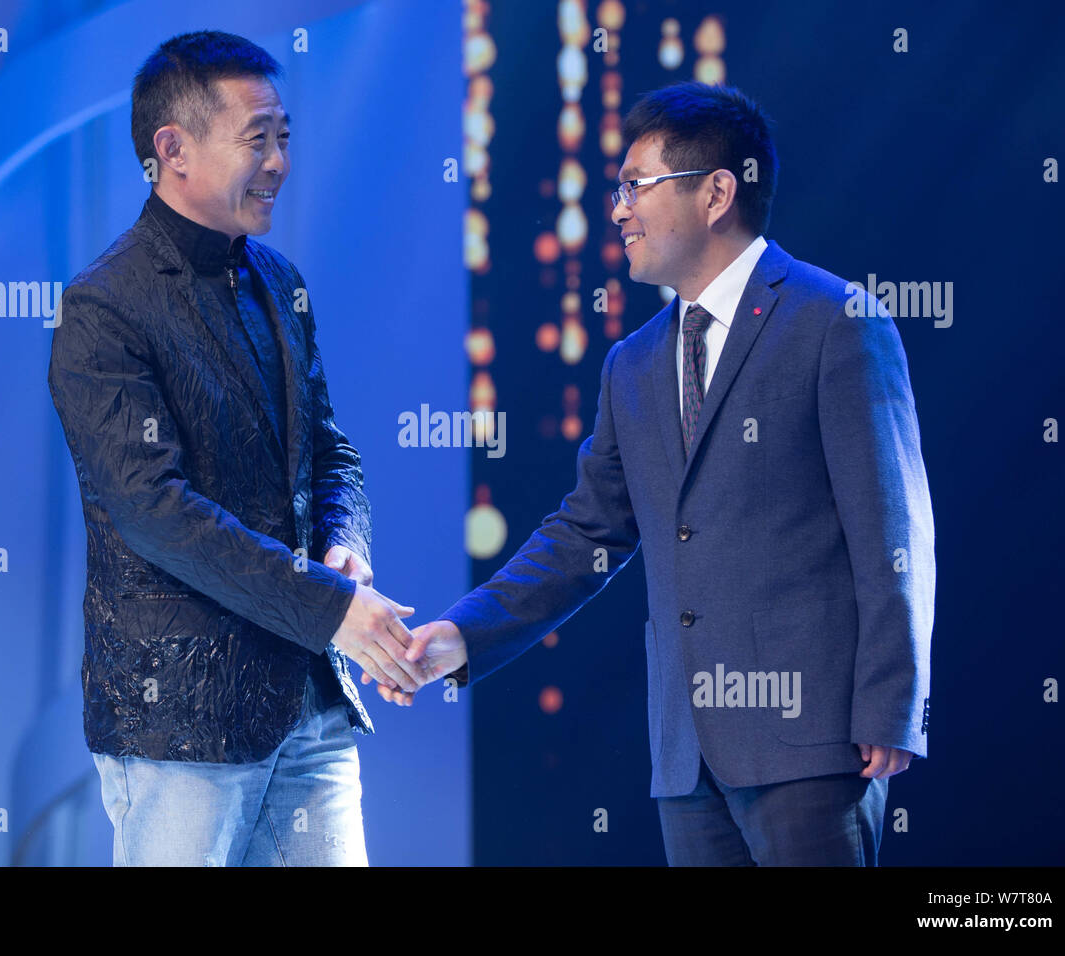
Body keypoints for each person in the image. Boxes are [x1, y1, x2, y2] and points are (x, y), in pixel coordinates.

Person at [368, 81, 935, 866]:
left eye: (636, 186)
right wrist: (461, 636)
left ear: (715, 193)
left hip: (816, 743)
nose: (618, 209)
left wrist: (891, 703)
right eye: (616, 189)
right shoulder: (632, 364)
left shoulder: (836, 321)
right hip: (686, 758)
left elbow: (894, 530)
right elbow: (582, 536)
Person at [47, 30, 422, 867]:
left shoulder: (279, 283)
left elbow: (332, 454)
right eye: (258, 138)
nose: (281, 160)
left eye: (285, 136)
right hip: (180, 722)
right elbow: (156, 514)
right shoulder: (104, 309)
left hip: (309, 702)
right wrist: (331, 608)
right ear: (171, 150)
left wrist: (346, 548)